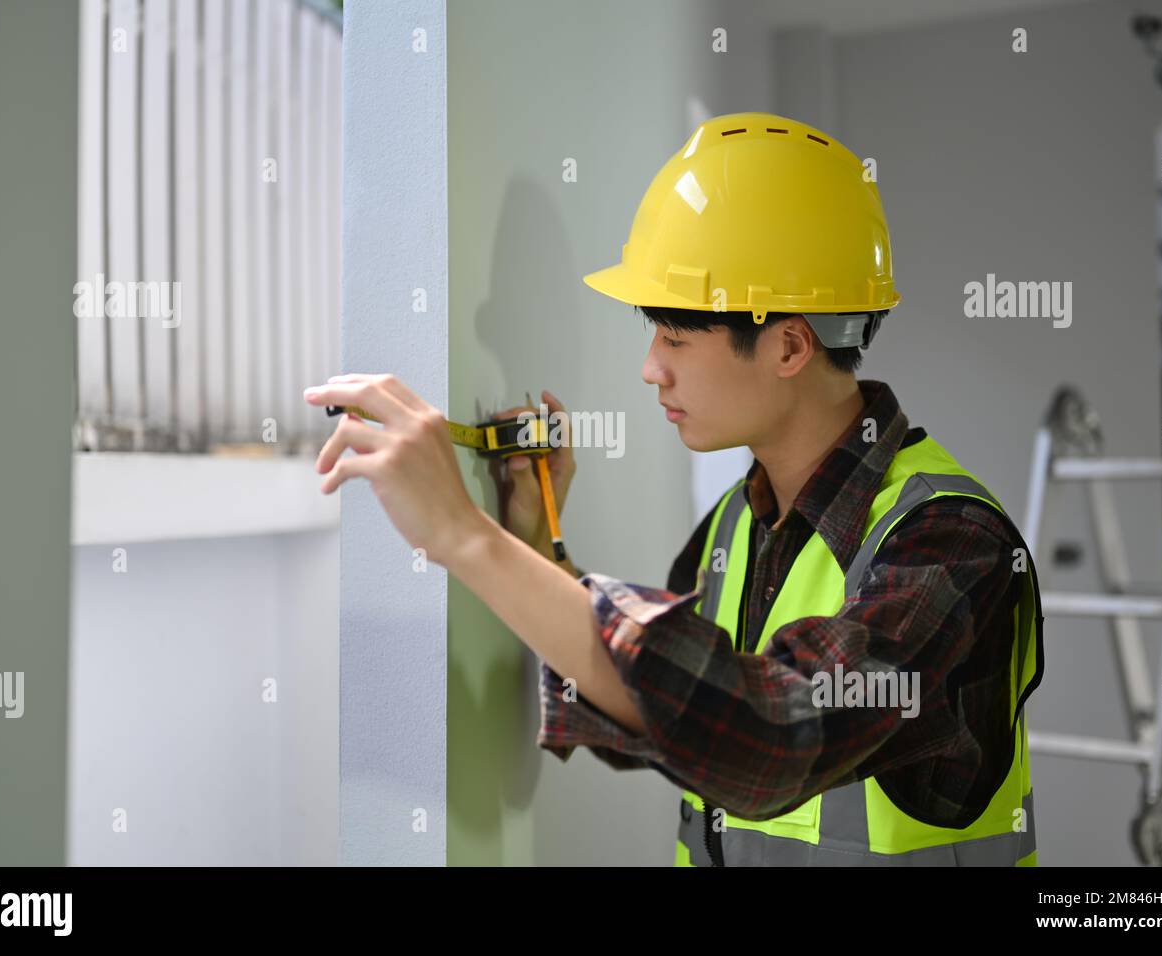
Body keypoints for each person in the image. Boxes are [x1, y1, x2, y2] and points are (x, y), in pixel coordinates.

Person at [302, 111, 1044, 866]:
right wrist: (536, 548)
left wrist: (462, 534)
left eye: (676, 337)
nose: (651, 368)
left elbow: (771, 740)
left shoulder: (952, 544)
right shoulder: (736, 526)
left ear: (789, 344)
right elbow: (677, 716)